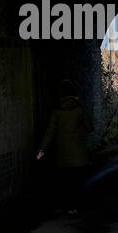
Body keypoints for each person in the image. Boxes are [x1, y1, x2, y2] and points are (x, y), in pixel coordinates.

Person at [36, 79, 92, 214]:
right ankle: (75, 207)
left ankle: (66, 206)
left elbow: (50, 132)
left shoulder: (57, 112)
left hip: (62, 155)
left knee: (64, 182)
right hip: (79, 155)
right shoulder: (80, 110)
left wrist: (41, 150)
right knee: (77, 182)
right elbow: (89, 128)